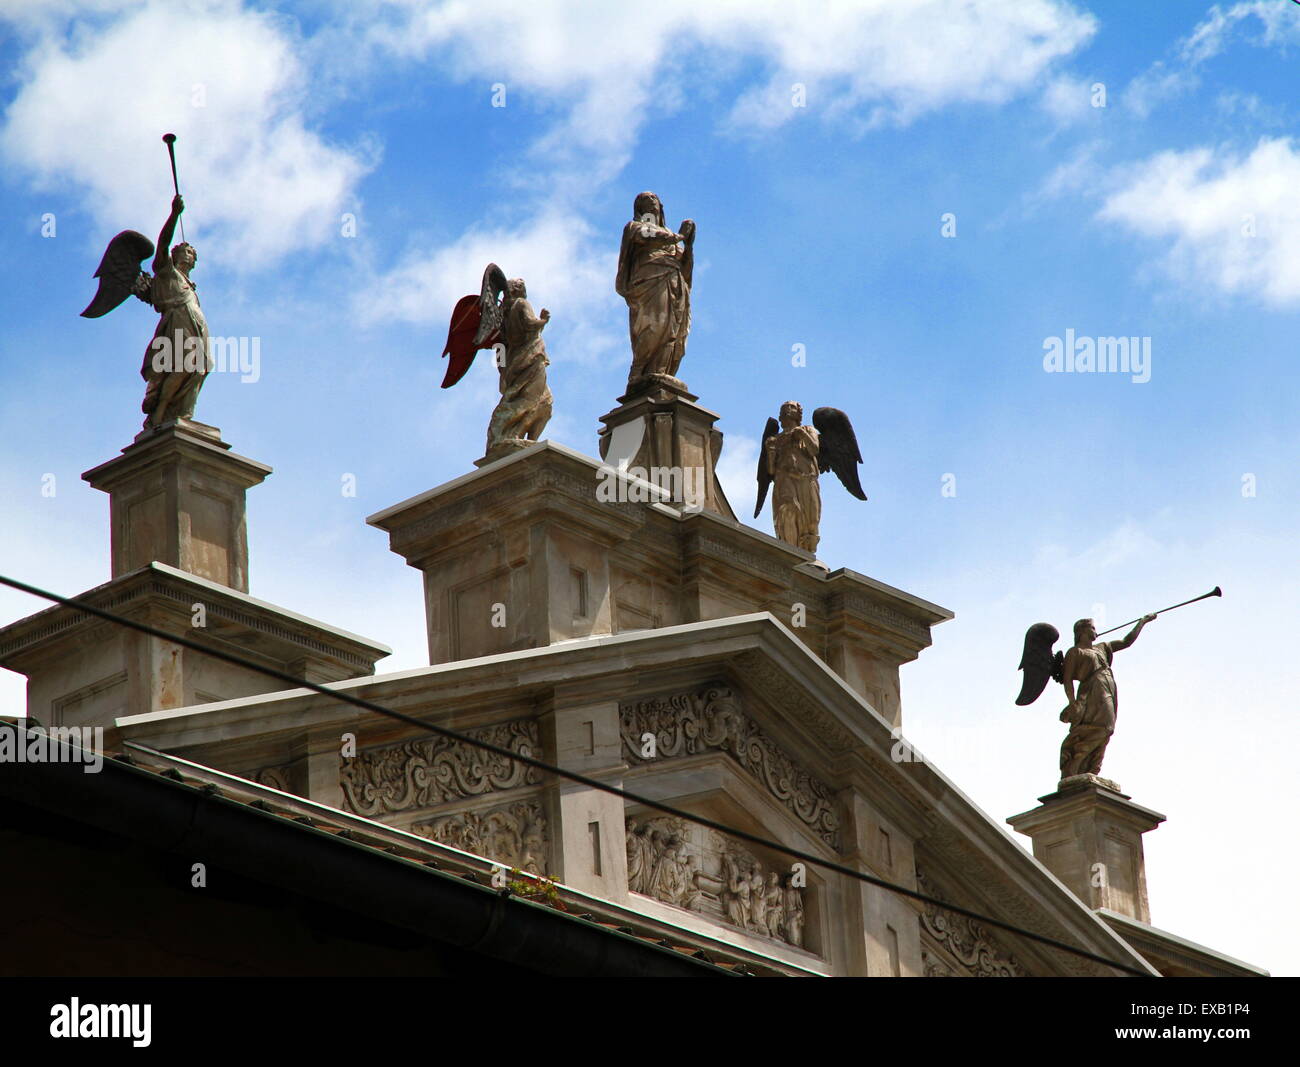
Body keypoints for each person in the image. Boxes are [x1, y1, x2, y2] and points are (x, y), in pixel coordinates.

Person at [142, 194, 210, 429]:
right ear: (174, 255)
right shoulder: (167, 272)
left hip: (196, 324)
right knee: (183, 365)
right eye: (183, 250)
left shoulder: (191, 286)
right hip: (178, 319)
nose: (187, 253)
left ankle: (183, 413)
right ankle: (160, 411)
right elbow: (161, 245)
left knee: (200, 369)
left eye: (191, 252)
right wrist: (174, 215)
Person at [1060, 614, 1155, 778]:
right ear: (1082, 631)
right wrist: (1072, 702)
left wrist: (1142, 621)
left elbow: (1127, 642)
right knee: (1105, 727)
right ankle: (1077, 760)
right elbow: (1067, 680)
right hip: (1092, 690)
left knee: (1108, 730)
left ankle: (1092, 769)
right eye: (1092, 627)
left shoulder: (1102, 647)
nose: (1095, 630)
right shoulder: (1075, 652)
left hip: (1108, 686)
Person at [615, 191, 694, 387]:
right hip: (649, 278)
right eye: (644, 199)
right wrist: (679, 236)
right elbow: (647, 236)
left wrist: (688, 246)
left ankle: (659, 371)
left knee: (673, 330)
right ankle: (638, 372)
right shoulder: (636, 227)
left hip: (675, 282)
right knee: (654, 325)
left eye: (654, 198)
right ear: (639, 208)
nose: (650, 200)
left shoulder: (669, 238)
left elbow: (684, 267)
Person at [765, 401, 822, 553]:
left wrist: (802, 434)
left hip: (806, 480)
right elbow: (770, 471)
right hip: (784, 480)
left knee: (811, 522)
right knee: (787, 509)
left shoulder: (807, 429)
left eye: (791, 407)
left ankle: (808, 552)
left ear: (798, 414)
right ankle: (790, 550)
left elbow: (815, 449)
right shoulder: (776, 439)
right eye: (784, 408)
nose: (787, 410)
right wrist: (770, 452)